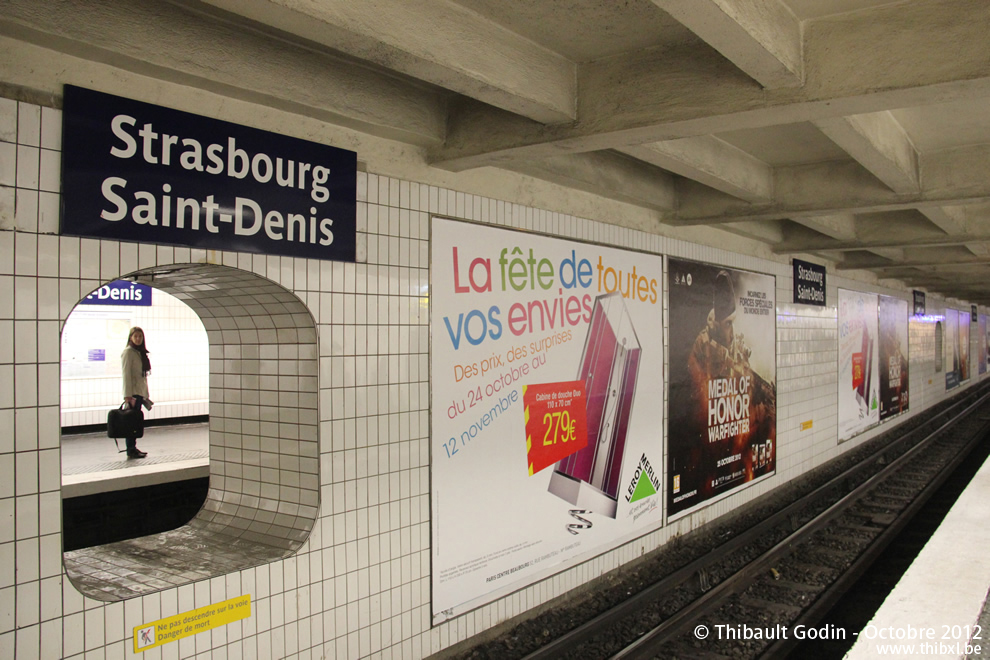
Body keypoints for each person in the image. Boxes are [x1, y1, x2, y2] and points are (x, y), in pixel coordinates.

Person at [121, 326, 153, 458]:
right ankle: (131, 448)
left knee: (134, 421)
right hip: (133, 394)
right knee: (131, 422)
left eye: (140, 336)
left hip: (138, 392)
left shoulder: (139, 352)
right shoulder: (128, 352)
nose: (138, 339)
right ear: (131, 337)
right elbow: (126, 374)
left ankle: (133, 447)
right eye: (136, 336)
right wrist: (127, 395)